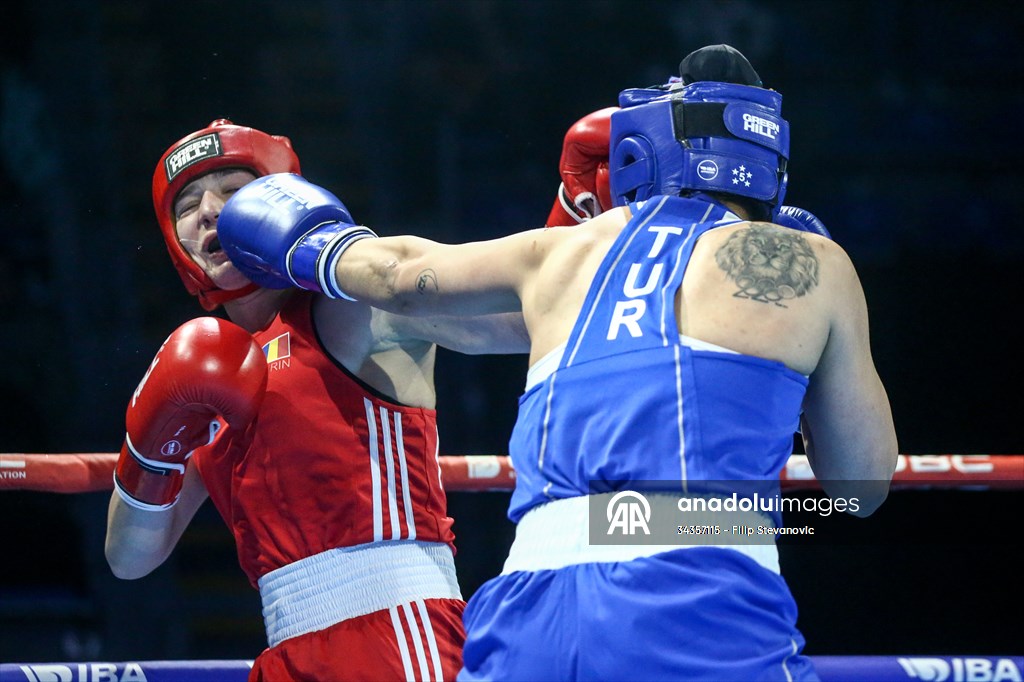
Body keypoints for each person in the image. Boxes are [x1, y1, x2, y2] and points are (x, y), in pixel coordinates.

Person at [214, 59, 898, 680]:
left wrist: (308, 242)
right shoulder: (810, 266)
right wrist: (794, 376)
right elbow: (859, 486)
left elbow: (394, 278)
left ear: (640, 147)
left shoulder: (560, 255)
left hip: (529, 605)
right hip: (696, 589)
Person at [103, 119, 528, 681]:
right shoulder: (207, 374)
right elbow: (129, 559)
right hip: (283, 655)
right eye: (187, 203)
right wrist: (151, 447)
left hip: (397, 630)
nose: (209, 210)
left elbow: (513, 321)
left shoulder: (352, 306)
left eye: (232, 191)